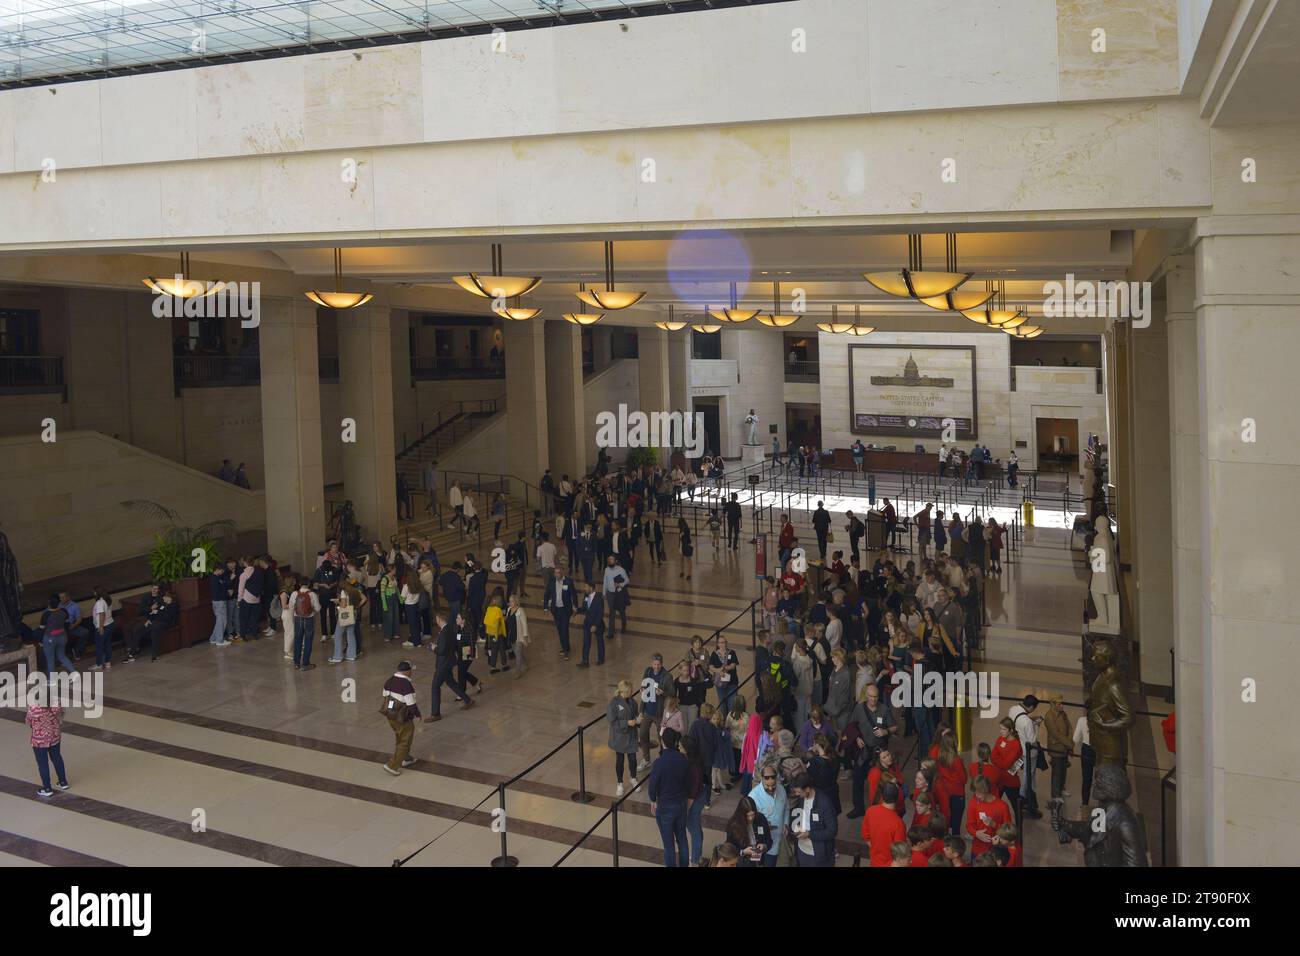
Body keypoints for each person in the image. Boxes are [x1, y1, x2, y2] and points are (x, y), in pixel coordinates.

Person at [648, 728, 691, 868]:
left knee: (669, 845)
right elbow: (688, 783)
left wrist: (653, 800)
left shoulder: (659, 763)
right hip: (681, 804)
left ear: (662, 742)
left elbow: (652, 786)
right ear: (676, 742)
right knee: (682, 840)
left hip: (665, 806)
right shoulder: (683, 759)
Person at [425, 612, 474, 721]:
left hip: (443, 664)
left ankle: (435, 714)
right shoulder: (450, 629)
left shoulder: (444, 632)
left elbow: (441, 650)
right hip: (449, 662)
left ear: (439, 619)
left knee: (435, 687)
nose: (436, 621)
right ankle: (468, 700)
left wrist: (434, 648)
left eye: (436, 619)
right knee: (451, 682)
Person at [380, 660, 421, 775]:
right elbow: (411, 704)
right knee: (405, 739)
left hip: (390, 715)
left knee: (400, 736)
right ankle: (392, 765)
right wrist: (417, 715)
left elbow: (385, 696)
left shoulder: (389, 681)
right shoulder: (406, 685)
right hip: (403, 717)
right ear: (407, 672)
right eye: (411, 670)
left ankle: (406, 758)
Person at [1008, 694, 1044, 818]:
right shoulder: (1027, 721)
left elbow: (1019, 722)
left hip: (1015, 749)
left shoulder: (1012, 709)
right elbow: (1032, 739)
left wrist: (1031, 719)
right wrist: (1036, 725)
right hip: (1027, 752)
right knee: (1028, 773)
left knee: (1014, 769)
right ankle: (1023, 796)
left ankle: (1011, 785)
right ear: (1031, 707)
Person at [790, 773, 838, 867]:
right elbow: (801, 817)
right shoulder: (802, 799)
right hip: (802, 849)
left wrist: (809, 834)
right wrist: (797, 826)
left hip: (818, 853)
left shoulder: (825, 804)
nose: (797, 795)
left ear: (807, 789)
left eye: (799, 792)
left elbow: (832, 831)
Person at [638, 653, 675, 772]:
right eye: (654, 664)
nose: (656, 666)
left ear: (662, 664)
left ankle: (664, 759)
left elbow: (673, 693)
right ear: (651, 664)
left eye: (658, 664)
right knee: (643, 734)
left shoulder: (667, 676)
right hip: (647, 710)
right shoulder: (647, 671)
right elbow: (643, 686)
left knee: (662, 737)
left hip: (660, 713)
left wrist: (663, 693)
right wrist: (642, 689)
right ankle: (646, 759)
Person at [748, 763, 787, 867]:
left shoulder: (782, 790)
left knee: (770, 864)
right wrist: (763, 826)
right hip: (757, 842)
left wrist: (786, 824)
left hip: (775, 840)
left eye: (773, 786)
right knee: (755, 864)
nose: (770, 788)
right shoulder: (753, 796)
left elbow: (786, 808)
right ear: (762, 779)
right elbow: (747, 821)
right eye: (767, 786)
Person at [27, 701, 70, 797]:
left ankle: (47, 788)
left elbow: (29, 721)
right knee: (57, 758)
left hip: (39, 740)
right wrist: (58, 722)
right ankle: (63, 782)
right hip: (54, 735)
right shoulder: (56, 703)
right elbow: (62, 712)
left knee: (43, 764)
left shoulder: (33, 707)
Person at [124, 590, 179, 664]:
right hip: (156, 623)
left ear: (170, 598)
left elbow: (168, 618)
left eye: (165, 596)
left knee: (152, 631)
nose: (163, 598)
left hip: (165, 624)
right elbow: (153, 613)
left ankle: (152, 655)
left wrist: (158, 612)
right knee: (139, 630)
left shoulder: (174, 605)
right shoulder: (162, 604)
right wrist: (149, 620)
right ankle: (132, 653)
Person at [607, 680, 640, 797]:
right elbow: (612, 721)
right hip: (619, 737)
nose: (631, 693)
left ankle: (633, 778)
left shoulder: (633, 702)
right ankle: (619, 782)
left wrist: (638, 720)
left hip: (631, 736)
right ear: (623, 691)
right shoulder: (614, 703)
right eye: (629, 691)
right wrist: (627, 723)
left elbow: (636, 714)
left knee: (633, 759)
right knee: (620, 760)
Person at [862, 781, 907, 866]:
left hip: (874, 861)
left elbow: (866, 836)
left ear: (882, 796)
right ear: (897, 798)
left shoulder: (870, 811)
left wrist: (876, 849)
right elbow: (900, 851)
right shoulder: (898, 824)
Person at [967, 774, 1011, 857]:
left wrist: (994, 824)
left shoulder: (1002, 806)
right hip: (978, 850)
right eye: (975, 792)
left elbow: (1008, 831)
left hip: (996, 852)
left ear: (986, 790)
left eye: (979, 793)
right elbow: (969, 825)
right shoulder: (973, 803)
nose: (977, 795)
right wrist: (976, 833)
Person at [683, 735, 710, 866]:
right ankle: (697, 857)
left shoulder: (693, 767)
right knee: (696, 829)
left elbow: (692, 795)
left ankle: (694, 861)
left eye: (680, 746)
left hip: (695, 800)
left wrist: (686, 810)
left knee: (694, 830)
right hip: (700, 796)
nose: (678, 747)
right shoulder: (695, 760)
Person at [724, 794, 772, 867]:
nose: (750, 818)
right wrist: (742, 852)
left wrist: (764, 846)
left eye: (753, 815)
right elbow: (729, 849)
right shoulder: (733, 825)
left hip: (758, 862)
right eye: (747, 816)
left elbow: (769, 840)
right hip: (741, 862)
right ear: (741, 814)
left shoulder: (761, 819)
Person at [543, 565, 577, 661]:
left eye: (558, 572)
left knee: (564, 629)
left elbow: (574, 595)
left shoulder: (568, 582)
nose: (556, 574)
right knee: (559, 629)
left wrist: (575, 608)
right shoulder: (552, 582)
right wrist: (545, 607)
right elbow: (546, 594)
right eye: (555, 572)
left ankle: (566, 651)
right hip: (556, 610)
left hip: (565, 610)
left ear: (562, 573)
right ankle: (566, 647)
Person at [290, 580, 320, 671]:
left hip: (298, 619)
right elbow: (318, 608)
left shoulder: (294, 594)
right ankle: (305, 663)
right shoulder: (312, 594)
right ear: (308, 585)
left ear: (299, 584)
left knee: (297, 640)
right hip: (309, 619)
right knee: (308, 641)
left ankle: (296, 663)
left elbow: (291, 607)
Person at [578, 581, 606, 668]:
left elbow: (600, 613)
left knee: (599, 641)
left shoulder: (599, 598)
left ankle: (601, 659)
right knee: (586, 641)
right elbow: (585, 608)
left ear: (591, 588)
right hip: (587, 623)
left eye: (586, 587)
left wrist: (595, 625)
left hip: (597, 624)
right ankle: (585, 661)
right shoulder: (586, 596)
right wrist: (577, 610)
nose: (584, 588)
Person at [602, 554, 629, 638]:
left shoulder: (621, 570)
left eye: (612, 559)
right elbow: (605, 581)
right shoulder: (606, 570)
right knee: (612, 613)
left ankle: (624, 626)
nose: (610, 561)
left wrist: (621, 584)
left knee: (621, 611)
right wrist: (604, 593)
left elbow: (627, 580)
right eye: (609, 559)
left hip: (619, 594)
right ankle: (611, 633)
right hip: (610, 594)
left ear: (616, 561)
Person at [505, 593, 529, 677]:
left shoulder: (520, 611)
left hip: (519, 635)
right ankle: (525, 663)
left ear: (516, 602)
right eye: (509, 601)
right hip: (511, 635)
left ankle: (518, 671)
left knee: (518, 653)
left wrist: (525, 636)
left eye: (512, 601)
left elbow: (524, 624)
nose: (510, 603)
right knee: (517, 652)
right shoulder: (508, 609)